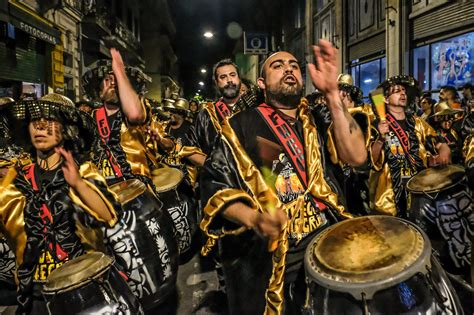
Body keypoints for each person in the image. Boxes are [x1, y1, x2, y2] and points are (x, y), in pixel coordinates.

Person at [199, 40, 367, 314]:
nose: (289, 69)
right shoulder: (240, 125)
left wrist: (333, 94)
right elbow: (215, 186)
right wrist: (254, 219)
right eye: (278, 65)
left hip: (329, 234)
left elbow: (357, 156)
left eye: (293, 65)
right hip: (275, 251)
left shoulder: (319, 116)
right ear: (262, 83)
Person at [0, 93, 118, 314]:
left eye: (50, 121)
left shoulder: (83, 170)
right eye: (35, 122)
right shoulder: (15, 178)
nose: (40, 127)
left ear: (66, 130)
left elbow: (109, 216)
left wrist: (79, 185)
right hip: (34, 293)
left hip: (81, 286)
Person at [369, 75, 451, 217]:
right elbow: (370, 160)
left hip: (419, 191)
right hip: (388, 199)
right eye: (396, 91)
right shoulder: (376, 125)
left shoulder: (418, 123)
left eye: (404, 91)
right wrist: (381, 139)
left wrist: (444, 151)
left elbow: (440, 143)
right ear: (385, 99)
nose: (402, 93)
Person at [81, 49, 155, 186]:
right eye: (108, 79)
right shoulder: (90, 117)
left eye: (117, 80)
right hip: (103, 193)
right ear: (99, 89)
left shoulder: (139, 107)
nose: (113, 83)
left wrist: (120, 71)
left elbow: (135, 114)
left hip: (136, 190)